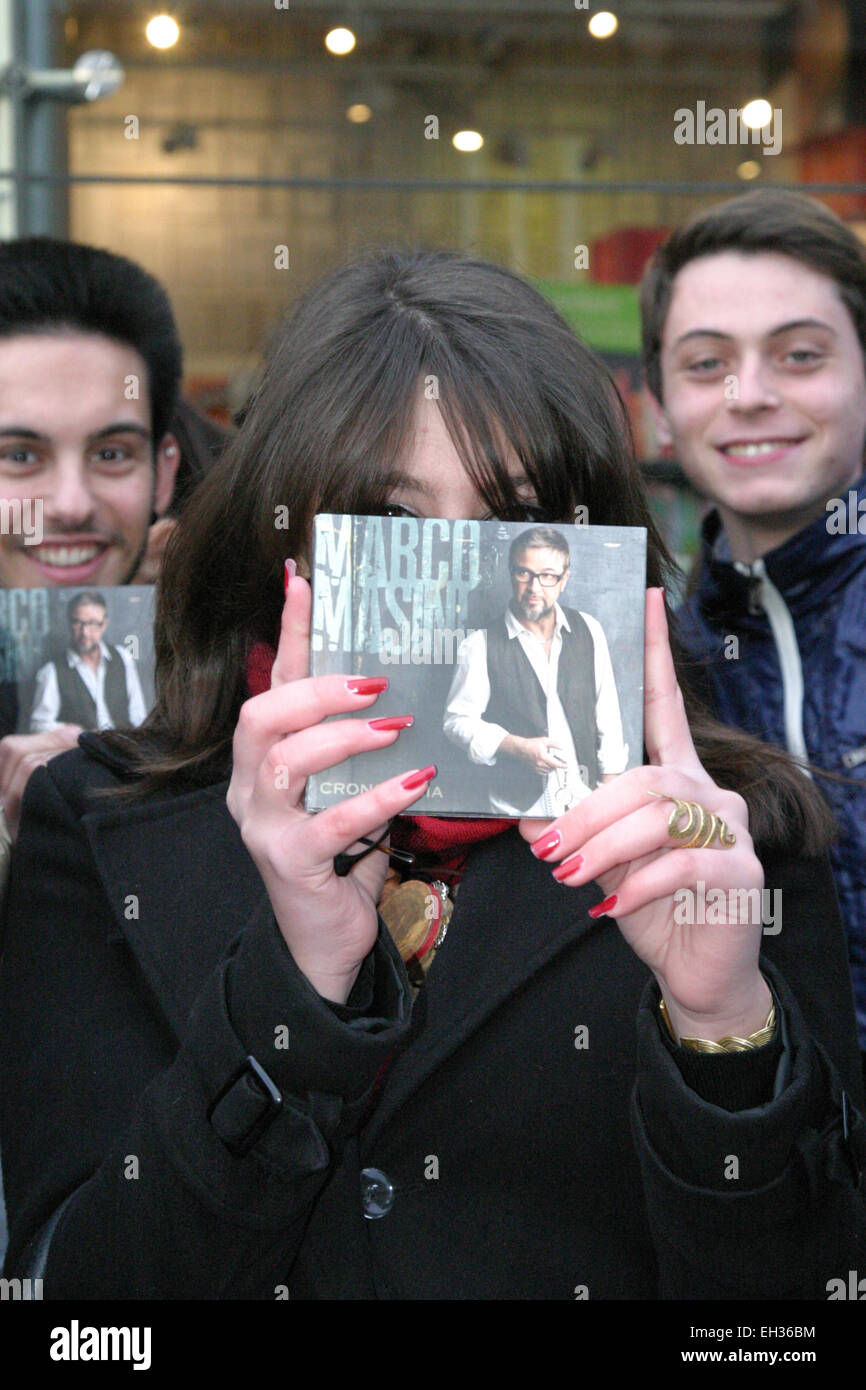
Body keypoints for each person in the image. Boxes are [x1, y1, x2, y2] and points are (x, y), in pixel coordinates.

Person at [1, 248, 864, 1301]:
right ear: (285, 541)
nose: (460, 587)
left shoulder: (725, 838)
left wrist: (722, 1026)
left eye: (511, 522)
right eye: (393, 525)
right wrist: (294, 990)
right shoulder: (94, 822)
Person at [639, 188, 866, 1074]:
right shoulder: (661, 671)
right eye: (705, 365)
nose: (752, 395)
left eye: (800, 355)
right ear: (658, 404)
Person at [0, 236, 182, 833]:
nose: (72, 505)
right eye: (20, 457)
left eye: (111, 453)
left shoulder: (240, 681)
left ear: (164, 472)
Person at [443, 525, 628, 814]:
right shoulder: (479, 644)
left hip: (585, 799)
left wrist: (609, 788)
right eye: (523, 573)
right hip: (516, 809)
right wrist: (515, 746)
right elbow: (456, 721)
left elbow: (607, 711)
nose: (534, 588)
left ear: (564, 580)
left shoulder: (589, 629)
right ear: (511, 574)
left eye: (548, 576)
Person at [28, 591, 146, 734]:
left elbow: (138, 714)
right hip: (81, 750)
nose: (85, 632)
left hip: (122, 748)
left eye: (92, 624)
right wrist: (76, 733)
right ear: (69, 623)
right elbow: (38, 725)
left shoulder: (123, 657)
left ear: (104, 625)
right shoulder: (52, 671)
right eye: (78, 623)